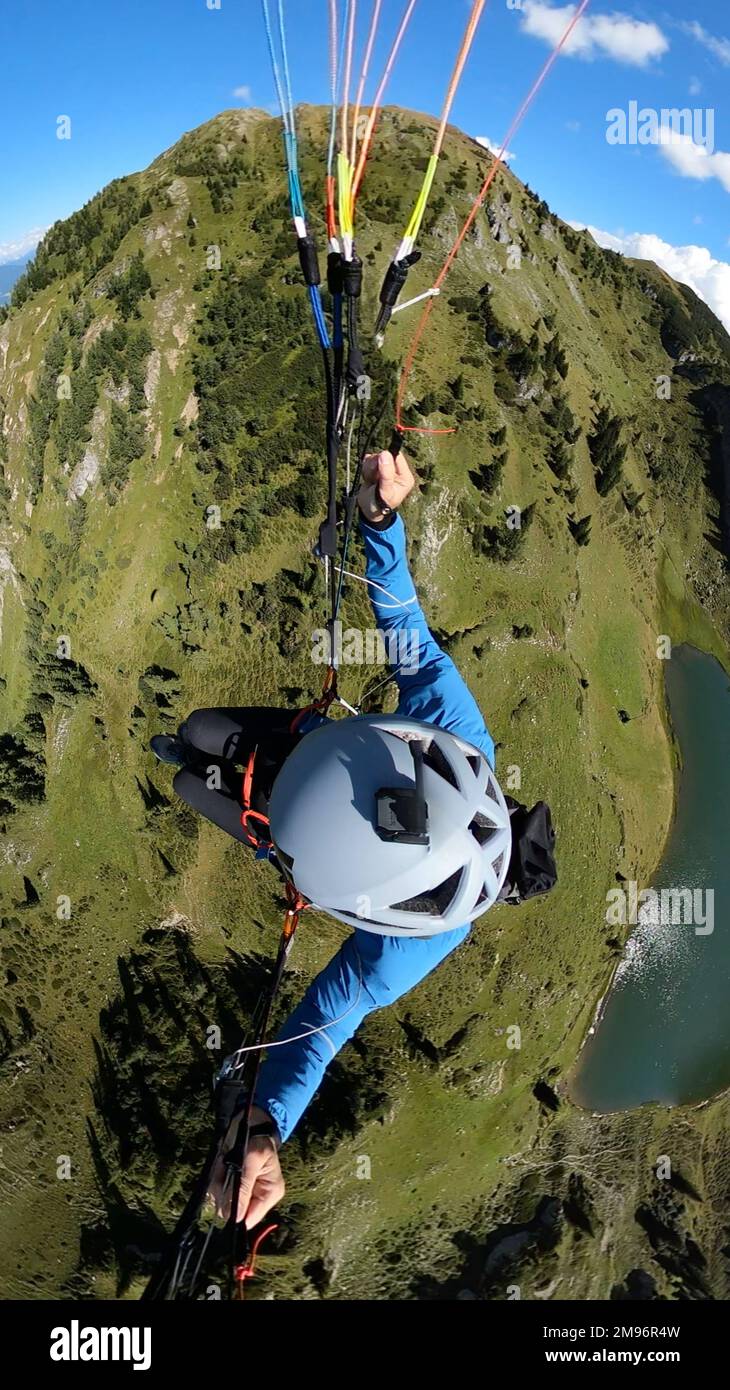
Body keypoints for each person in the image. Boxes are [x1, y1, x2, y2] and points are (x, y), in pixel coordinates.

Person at [151, 448, 552, 1235]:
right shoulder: (457, 736)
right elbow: (407, 633)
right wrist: (380, 521)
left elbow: (326, 1024)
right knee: (198, 741)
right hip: (299, 793)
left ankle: (180, 755)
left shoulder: (415, 946)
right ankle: (182, 748)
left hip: (295, 809)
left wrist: (264, 1124)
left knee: (187, 776)